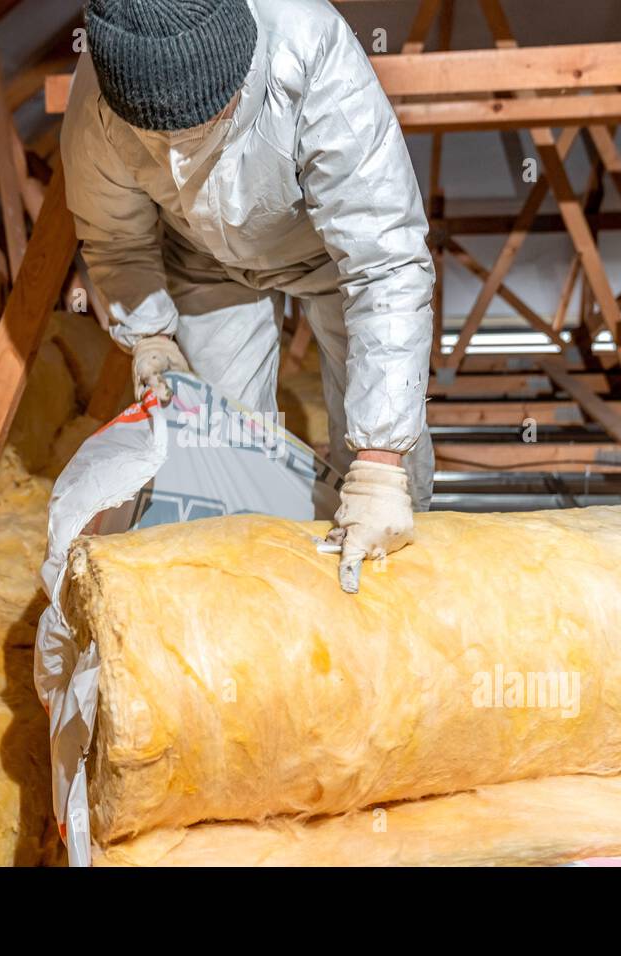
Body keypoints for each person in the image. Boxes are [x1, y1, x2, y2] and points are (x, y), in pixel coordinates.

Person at [62, 0, 435, 592]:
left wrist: (382, 462)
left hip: (333, 259)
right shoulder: (99, 97)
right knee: (224, 468)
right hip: (207, 264)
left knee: (382, 491)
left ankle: (392, 611)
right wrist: (152, 337)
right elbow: (116, 239)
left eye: (208, 123)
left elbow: (383, 259)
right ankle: (259, 628)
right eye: (160, 138)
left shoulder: (310, 48)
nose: (184, 152)